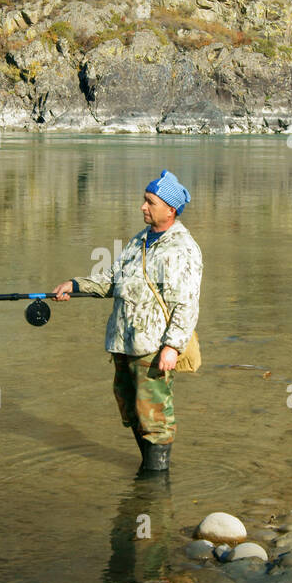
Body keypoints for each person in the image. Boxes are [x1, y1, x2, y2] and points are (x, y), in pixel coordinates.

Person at [52, 170, 202, 471]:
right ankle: (146, 473)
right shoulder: (139, 240)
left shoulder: (183, 249)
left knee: (155, 417)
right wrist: (76, 285)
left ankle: (155, 484)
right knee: (131, 409)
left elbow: (187, 304)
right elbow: (112, 279)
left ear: (170, 210)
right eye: (144, 200)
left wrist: (172, 347)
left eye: (150, 202)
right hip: (123, 341)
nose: (143, 207)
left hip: (152, 347)